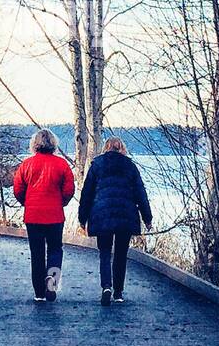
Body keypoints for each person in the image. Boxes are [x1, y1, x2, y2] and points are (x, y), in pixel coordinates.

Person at [78, 136, 152, 305]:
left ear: (106, 148)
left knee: (104, 252)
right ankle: (118, 293)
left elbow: (86, 194)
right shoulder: (130, 166)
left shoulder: (96, 165)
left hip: (102, 215)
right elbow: (141, 194)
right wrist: (147, 218)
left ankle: (106, 286)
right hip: (125, 216)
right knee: (121, 254)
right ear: (122, 148)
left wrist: (82, 218)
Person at [13, 128, 75, 302]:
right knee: (55, 249)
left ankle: (39, 293)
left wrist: (27, 203)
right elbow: (69, 189)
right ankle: (52, 282)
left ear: (35, 144)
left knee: (37, 253)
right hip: (55, 214)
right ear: (54, 143)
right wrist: (61, 202)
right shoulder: (62, 164)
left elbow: (18, 189)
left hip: (33, 215)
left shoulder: (26, 164)